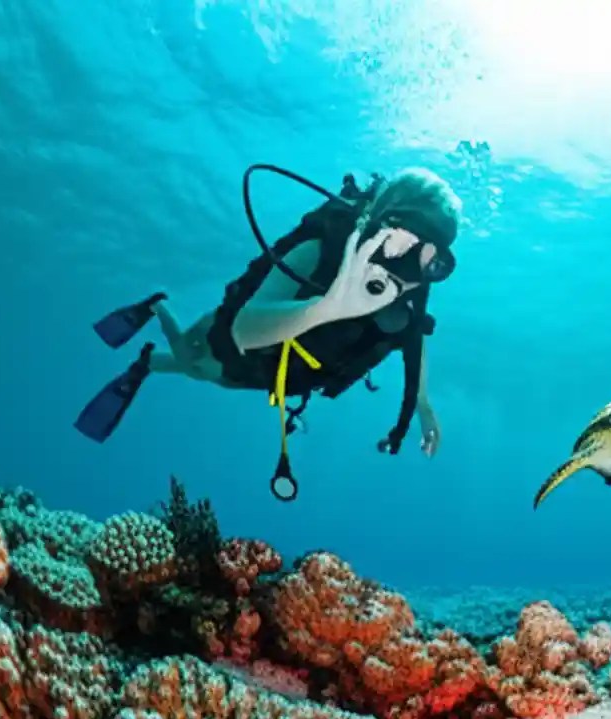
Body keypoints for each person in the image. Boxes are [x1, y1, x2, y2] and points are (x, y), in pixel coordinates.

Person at [75, 166, 461, 500]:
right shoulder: (323, 246)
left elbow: (415, 341)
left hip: (279, 370)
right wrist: (328, 308)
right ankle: (157, 307)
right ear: (375, 223)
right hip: (241, 336)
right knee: (198, 363)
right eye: (398, 242)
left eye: (429, 260)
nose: (404, 270)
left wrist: (423, 404)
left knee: (215, 377)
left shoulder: (408, 296)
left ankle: (148, 362)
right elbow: (245, 327)